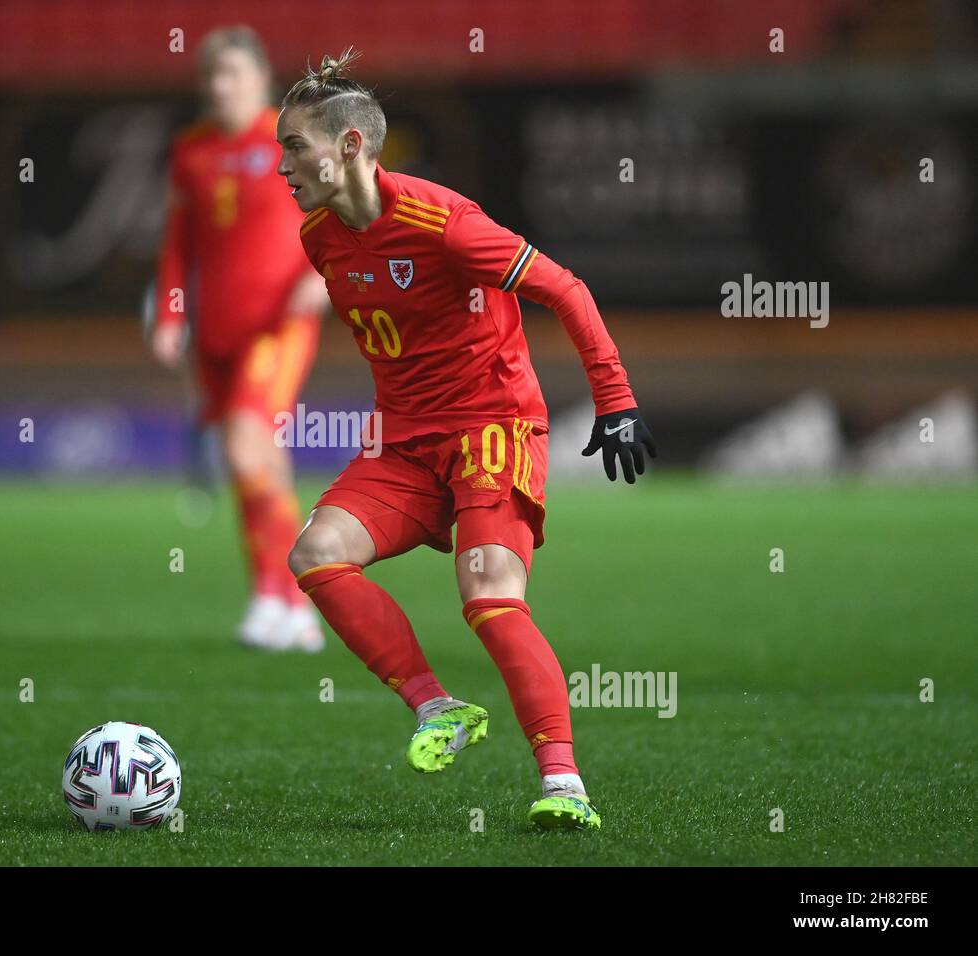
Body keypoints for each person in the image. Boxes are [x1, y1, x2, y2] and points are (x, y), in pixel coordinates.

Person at [277, 49, 657, 829]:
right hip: (405, 444)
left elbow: (565, 288)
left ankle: (563, 784)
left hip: (492, 428)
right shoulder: (320, 238)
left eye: (293, 146)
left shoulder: (444, 223)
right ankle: (436, 707)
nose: (281, 163)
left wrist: (615, 401)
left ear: (350, 145)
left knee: (488, 593)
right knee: (314, 555)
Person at [153, 26, 330, 652]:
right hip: (216, 332)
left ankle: (270, 595)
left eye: (233, 73)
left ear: (260, 78)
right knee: (256, 464)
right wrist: (172, 315)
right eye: (211, 75)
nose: (220, 86)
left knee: (244, 446)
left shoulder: (294, 139)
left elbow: (341, 209)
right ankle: (297, 606)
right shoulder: (191, 150)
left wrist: (321, 275)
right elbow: (178, 244)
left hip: (278, 326)